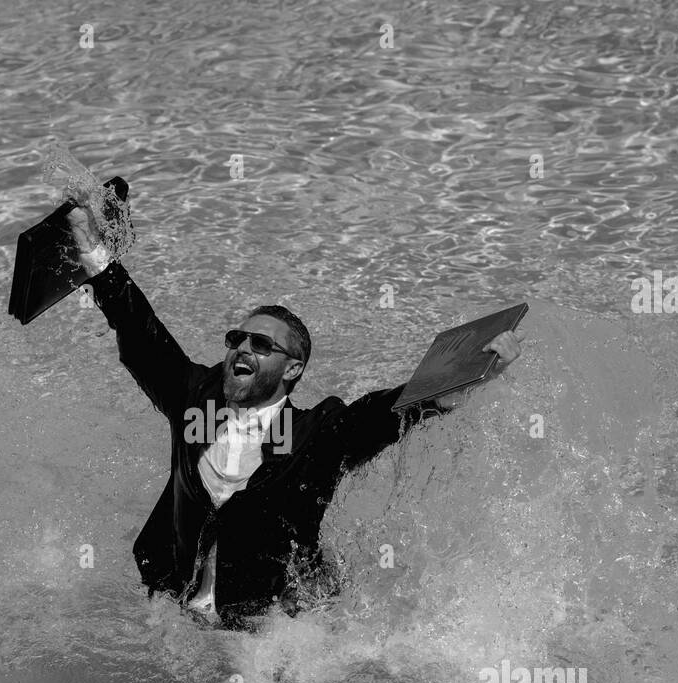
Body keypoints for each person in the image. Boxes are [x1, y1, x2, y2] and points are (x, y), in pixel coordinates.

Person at [64, 202, 523, 628]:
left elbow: (380, 414)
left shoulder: (315, 433)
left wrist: (468, 377)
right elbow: (142, 335)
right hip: (174, 610)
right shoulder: (196, 401)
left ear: (293, 368)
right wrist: (91, 247)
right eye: (237, 339)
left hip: (267, 629)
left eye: (261, 344)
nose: (242, 348)